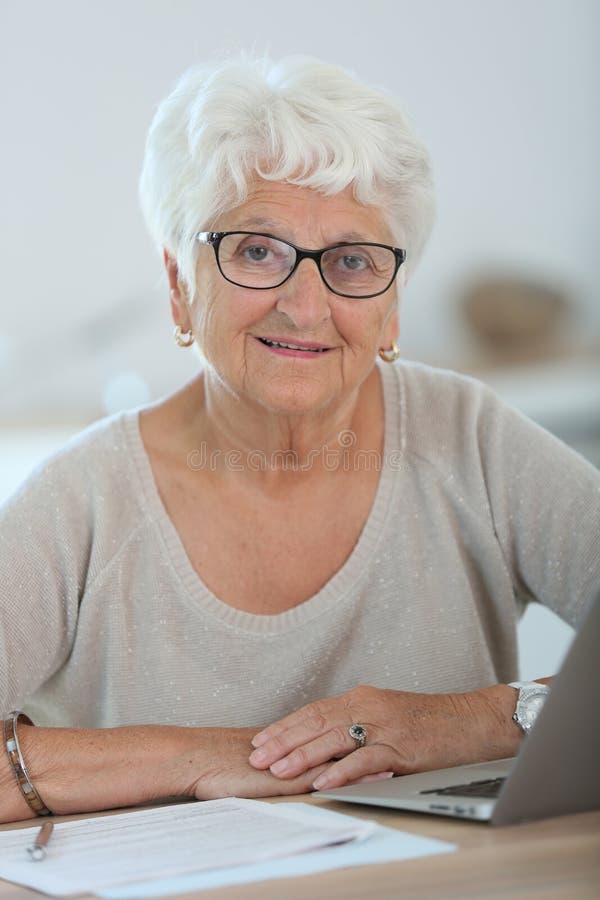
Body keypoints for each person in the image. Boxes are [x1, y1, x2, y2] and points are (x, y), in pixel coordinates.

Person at [1, 54, 598, 826]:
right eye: (257, 251)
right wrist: (191, 757)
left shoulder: (471, 442)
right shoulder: (79, 505)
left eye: (352, 261)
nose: (305, 306)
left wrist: (472, 720)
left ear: (391, 306)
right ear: (180, 284)